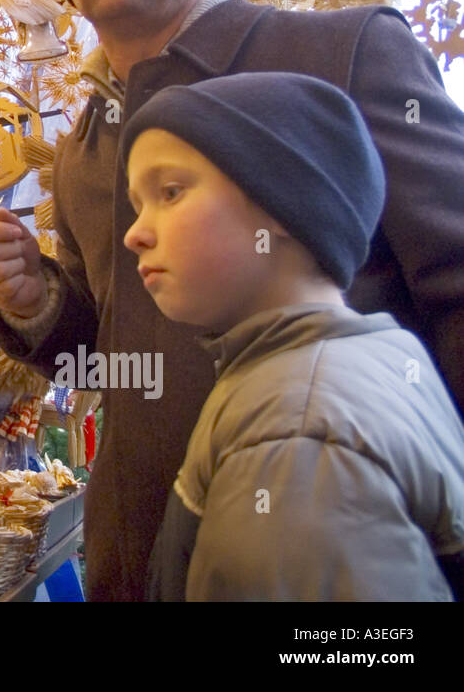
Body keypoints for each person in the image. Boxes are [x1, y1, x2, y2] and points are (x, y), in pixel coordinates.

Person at [0, 0, 464, 601]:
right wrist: (37, 301)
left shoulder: (337, 55)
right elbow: (110, 363)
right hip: (141, 558)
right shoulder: (82, 152)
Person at [120, 73, 464, 600]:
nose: (134, 233)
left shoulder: (293, 436)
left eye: (170, 192)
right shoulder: (382, 353)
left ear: (281, 206)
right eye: (138, 204)